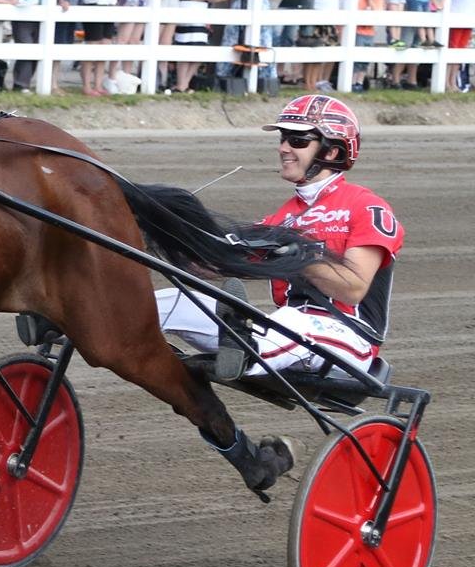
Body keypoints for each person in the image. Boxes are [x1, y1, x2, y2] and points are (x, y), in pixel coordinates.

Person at [153, 96, 402, 376]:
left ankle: (244, 350)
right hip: (284, 331)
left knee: (292, 321)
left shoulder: (366, 207)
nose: (283, 148)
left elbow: (353, 289)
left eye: (298, 141)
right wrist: (163, 231)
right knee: (175, 300)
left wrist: (297, 253)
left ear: (331, 151)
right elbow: (210, 266)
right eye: (284, 138)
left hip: (348, 336)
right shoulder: (282, 218)